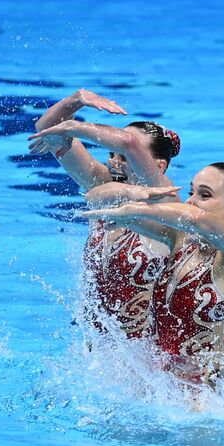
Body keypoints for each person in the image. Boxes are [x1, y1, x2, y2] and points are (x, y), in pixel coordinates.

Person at [83, 162, 224, 385]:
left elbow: (196, 219)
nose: (190, 201)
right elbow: (95, 198)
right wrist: (132, 193)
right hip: (157, 393)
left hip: (206, 410)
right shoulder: (182, 239)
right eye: (191, 192)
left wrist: (142, 208)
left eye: (204, 195)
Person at [28, 88, 181, 338]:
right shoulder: (100, 183)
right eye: (111, 153)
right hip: (98, 349)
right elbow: (47, 127)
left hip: (147, 352)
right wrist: (75, 100)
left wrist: (76, 128)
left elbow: (128, 143)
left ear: (159, 165)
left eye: (123, 156)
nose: (114, 162)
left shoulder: (167, 201)